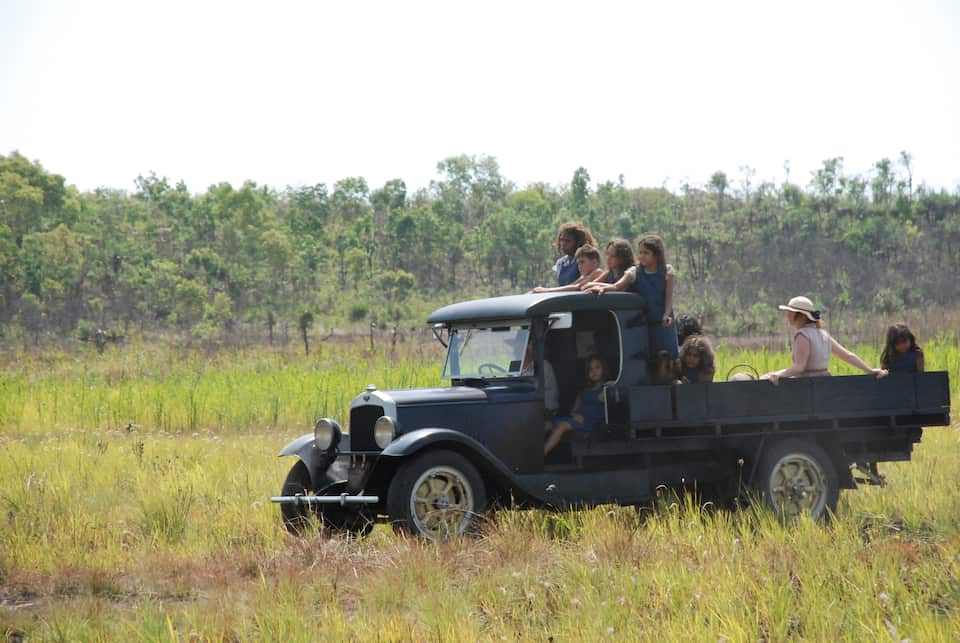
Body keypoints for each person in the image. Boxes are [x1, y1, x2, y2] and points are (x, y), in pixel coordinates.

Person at [586, 234, 680, 364]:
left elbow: (668, 297)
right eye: (640, 252)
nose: (641, 256)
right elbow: (617, 286)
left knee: (669, 361)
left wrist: (666, 314)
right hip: (645, 326)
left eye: (646, 253)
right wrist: (600, 287)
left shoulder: (667, 271)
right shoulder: (634, 272)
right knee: (650, 361)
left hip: (664, 325)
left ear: (656, 255)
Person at [761, 296, 887, 384]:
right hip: (826, 383)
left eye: (790, 312)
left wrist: (776, 374)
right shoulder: (823, 334)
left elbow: (799, 368)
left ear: (800, 315)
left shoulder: (802, 335)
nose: (787, 315)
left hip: (807, 386)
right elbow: (848, 356)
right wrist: (869, 370)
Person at [544, 354, 608, 455]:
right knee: (547, 424)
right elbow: (574, 409)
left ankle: (539, 457)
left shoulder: (605, 390)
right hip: (578, 419)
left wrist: (609, 385)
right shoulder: (584, 391)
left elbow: (615, 386)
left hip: (590, 422)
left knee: (561, 426)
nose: (594, 372)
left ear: (604, 369)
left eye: (597, 367)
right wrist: (575, 414)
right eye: (590, 369)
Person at [530, 245, 604, 293]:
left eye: (582, 262)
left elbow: (577, 287)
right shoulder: (583, 277)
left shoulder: (597, 272)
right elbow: (571, 286)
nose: (579, 266)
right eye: (578, 263)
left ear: (594, 262)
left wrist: (546, 290)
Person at [520, 336, 559, 415]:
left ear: (530, 346)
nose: (515, 350)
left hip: (546, 411)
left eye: (519, 345)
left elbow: (530, 389)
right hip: (526, 409)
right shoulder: (516, 368)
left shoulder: (544, 365)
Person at [552, 223, 597, 287]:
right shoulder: (560, 263)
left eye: (568, 241)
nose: (563, 244)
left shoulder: (584, 261)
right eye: (561, 240)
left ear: (578, 242)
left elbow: (581, 284)